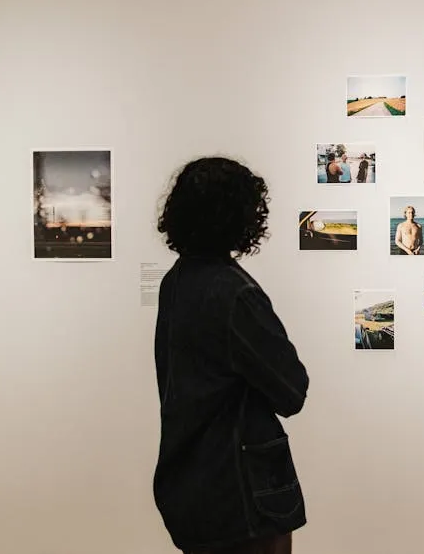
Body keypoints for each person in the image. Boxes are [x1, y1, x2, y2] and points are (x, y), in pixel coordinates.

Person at [154, 157, 309, 554]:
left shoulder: (177, 280)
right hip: (243, 494)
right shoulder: (236, 293)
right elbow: (292, 391)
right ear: (241, 216)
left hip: (190, 484)